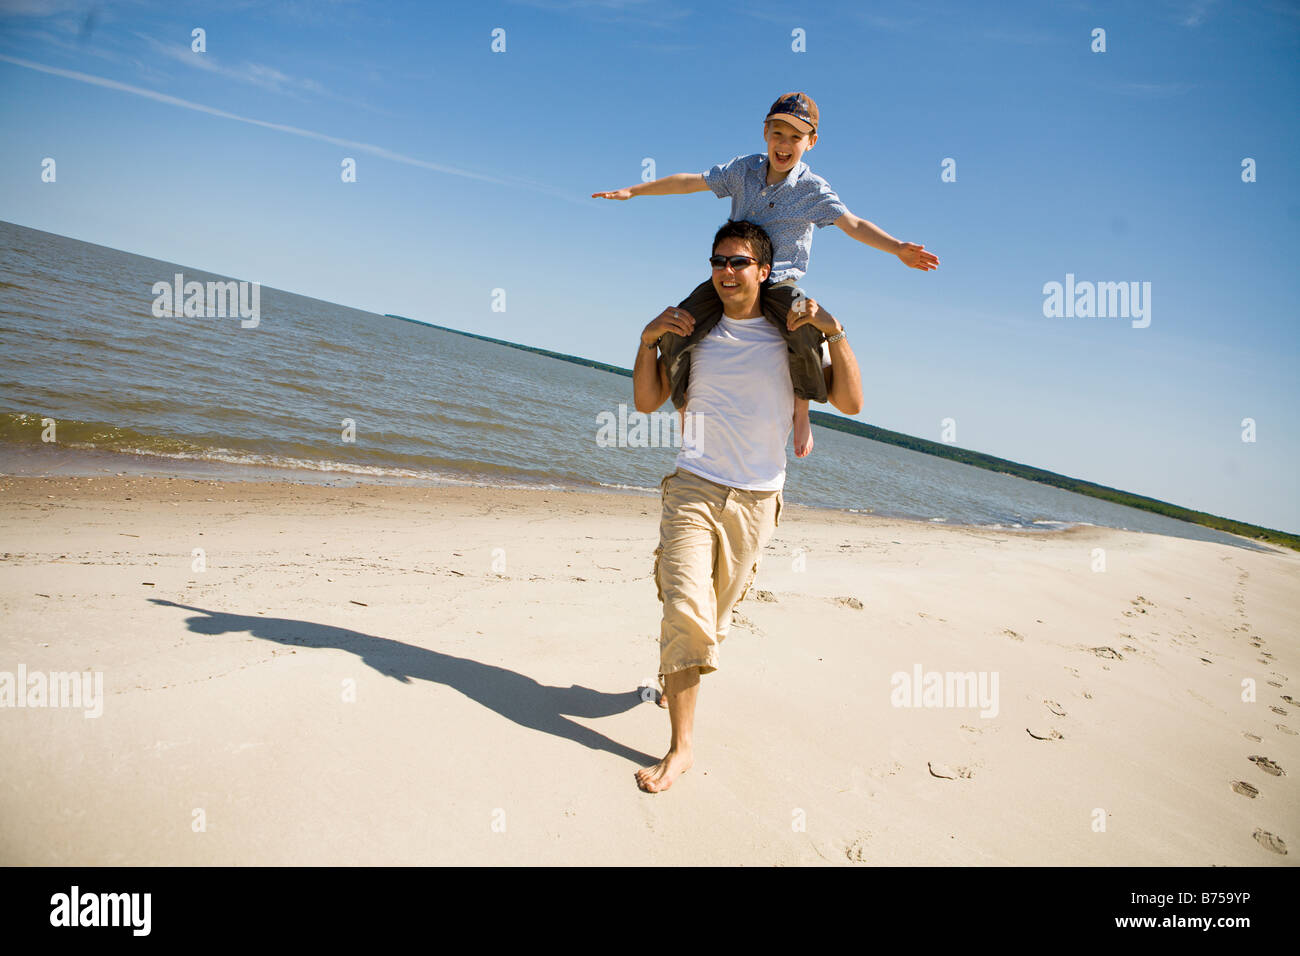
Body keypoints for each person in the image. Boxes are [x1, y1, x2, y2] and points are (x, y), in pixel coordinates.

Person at [630, 220, 863, 793]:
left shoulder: (792, 336)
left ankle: (676, 673)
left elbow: (852, 403)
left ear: (764, 270)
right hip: (694, 486)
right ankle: (681, 747)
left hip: (759, 498)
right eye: (718, 261)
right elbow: (645, 401)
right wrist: (645, 340)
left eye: (739, 262)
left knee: (716, 617)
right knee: (686, 607)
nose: (726, 272)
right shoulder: (693, 331)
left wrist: (836, 331)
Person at [596, 91, 936, 458]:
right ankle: (683, 406)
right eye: (778, 133)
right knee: (679, 324)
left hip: (779, 281)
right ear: (765, 133)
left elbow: (853, 224)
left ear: (811, 142)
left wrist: (898, 247)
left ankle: (801, 409)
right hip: (733, 273)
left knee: (803, 326)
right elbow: (689, 182)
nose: (784, 144)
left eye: (795, 136)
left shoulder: (812, 190)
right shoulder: (744, 171)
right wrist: (634, 190)